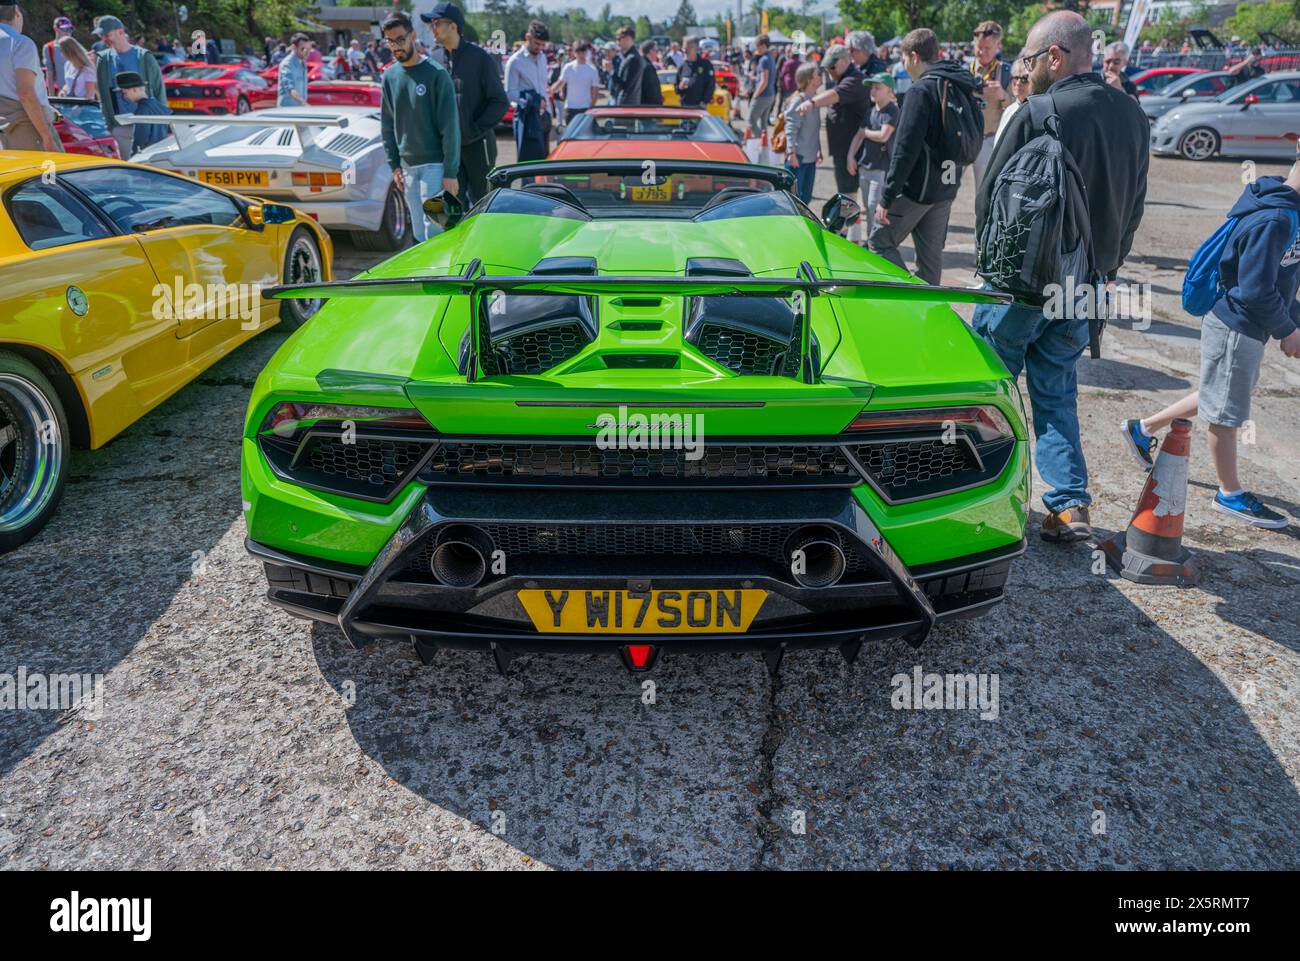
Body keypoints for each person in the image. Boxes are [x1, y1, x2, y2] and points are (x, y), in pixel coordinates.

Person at [973, 10, 1149, 542]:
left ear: (1055, 56)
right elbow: (1135, 203)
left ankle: (973, 497)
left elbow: (991, 198)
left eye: (1030, 57)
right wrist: (1109, 270)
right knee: (1055, 390)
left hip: (1021, 284)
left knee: (984, 391)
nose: (1026, 67)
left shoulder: (1039, 109)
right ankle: (1069, 504)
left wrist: (989, 269)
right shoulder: (1132, 113)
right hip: (1085, 285)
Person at [1122, 145, 1300, 530]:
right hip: (1238, 326)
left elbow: (1281, 281)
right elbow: (1254, 289)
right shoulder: (1277, 218)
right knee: (1227, 414)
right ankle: (1229, 494)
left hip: (1244, 327)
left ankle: (1143, 427)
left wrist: (1293, 319)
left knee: (1218, 392)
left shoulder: (1289, 211)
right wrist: (1287, 330)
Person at [869, 28, 977, 284]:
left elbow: (905, 148)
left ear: (915, 56)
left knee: (879, 242)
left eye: (904, 59)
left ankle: (908, 295)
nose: (903, 65)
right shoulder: (959, 85)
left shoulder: (921, 91)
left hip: (917, 190)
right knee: (930, 264)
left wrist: (886, 196)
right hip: (946, 188)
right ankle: (927, 309)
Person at [380, 10, 460, 243]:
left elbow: (450, 128)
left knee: (435, 232)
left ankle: (442, 278)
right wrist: (394, 164)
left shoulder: (436, 74)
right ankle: (425, 279)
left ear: (413, 35)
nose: (396, 47)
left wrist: (450, 172)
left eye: (400, 39)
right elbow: (387, 125)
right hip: (407, 169)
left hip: (435, 166)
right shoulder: (390, 77)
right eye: (390, 42)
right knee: (417, 235)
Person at [424, 2, 508, 207]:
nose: (431, 28)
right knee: (452, 206)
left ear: (453, 26)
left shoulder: (480, 58)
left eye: (436, 22)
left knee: (484, 203)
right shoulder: (434, 60)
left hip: (479, 146)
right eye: (430, 23)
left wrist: (473, 129)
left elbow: (499, 102)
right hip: (448, 150)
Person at [796, 44, 869, 219]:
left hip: (849, 148)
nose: (829, 71)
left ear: (844, 61)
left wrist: (811, 102)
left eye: (832, 67)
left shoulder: (854, 79)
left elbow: (835, 95)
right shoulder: (844, 77)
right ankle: (849, 228)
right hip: (844, 147)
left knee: (848, 192)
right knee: (847, 191)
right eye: (827, 67)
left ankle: (845, 230)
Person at [93, 15, 166, 161]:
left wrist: (163, 125)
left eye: (107, 35)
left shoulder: (144, 57)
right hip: (121, 127)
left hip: (148, 125)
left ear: (120, 32)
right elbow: (102, 94)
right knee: (131, 172)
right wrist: (110, 125)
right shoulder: (103, 60)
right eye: (102, 36)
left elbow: (159, 92)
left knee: (155, 170)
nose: (104, 39)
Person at [0, 4, 59, 151]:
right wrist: (47, 137)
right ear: (17, 13)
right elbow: (25, 93)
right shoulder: (20, 43)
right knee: (50, 173)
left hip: (4, 130)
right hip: (27, 127)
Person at [847, 72, 898, 241]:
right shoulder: (870, 111)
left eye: (878, 88)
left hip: (881, 168)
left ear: (889, 91)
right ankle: (871, 241)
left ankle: (875, 242)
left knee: (873, 206)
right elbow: (857, 136)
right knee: (868, 208)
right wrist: (850, 156)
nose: (873, 91)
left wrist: (865, 133)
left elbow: (883, 135)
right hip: (865, 166)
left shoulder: (892, 110)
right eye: (872, 88)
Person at [969, 21, 1012, 189]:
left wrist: (1003, 96)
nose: (982, 52)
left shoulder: (1007, 72)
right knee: (948, 185)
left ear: (998, 45)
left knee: (983, 189)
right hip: (965, 138)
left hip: (989, 139)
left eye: (987, 48)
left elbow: (1015, 109)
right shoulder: (965, 69)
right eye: (978, 47)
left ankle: (981, 217)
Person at [506, 19, 550, 160]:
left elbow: (543, 86)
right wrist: (532, 100)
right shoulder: (515, 61)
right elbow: (510, 93)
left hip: (544, 116)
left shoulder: (543, 58)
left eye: (543, 45)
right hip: (526, 117)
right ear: (527, 37)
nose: (540, 48)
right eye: (537, 43)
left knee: (544, 162)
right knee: (528, 165)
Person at [782, 62, 821, 205]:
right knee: (794, 200)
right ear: (809, 79)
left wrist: (819, 150)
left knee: (805, 199)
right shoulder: (799, 100)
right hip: (798, 159)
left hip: (809, 158)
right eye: (818, 73)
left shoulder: (814, 100)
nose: (821, 75)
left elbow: (814, 128)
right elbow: (790, 128)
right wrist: (791, 153)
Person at [114, 69, 168, 154]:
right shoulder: (157, 104)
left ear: (134, 90)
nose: (124, 97)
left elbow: (140, 138)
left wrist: (134, 155)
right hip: (161, 151)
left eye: (125, 93)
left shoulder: (142, 110)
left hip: (149, 155)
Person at [554, 40, 599, 123]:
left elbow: (595, 91)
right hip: (570, 108)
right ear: (574, 53)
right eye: (578, 52)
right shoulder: (568, 67)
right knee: (570, 135)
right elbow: (560, 82)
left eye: (583, 51)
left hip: (586, 108)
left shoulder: (593, 69)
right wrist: (549, 91)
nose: (581, 55)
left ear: (587, 52)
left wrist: (591, 106)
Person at [993, 56, 1030, 146]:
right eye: (1016, 78)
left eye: (1024, 79)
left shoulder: (1034, 111)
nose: (1018, 83)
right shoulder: (1009, 109)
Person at [747, 33, 775, 136]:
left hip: (763, 95)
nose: (756, 48)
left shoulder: (764, 60)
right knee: (763, 124)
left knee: (751, 121)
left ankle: (761, 141)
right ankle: (764, 146)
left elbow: (764, 81)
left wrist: (755, 95)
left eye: (757, 45)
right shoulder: (770, 58)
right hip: (770, 94)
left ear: (763, 45)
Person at [677, 36, 714, 109]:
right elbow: (677, 88)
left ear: (694, 48)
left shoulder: (705, 65)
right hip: (685, 108)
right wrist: (679, 87)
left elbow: (711, 85)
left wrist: (704, 101)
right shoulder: (683, 66)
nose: (683, 50)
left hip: (699, 108)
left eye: (686, 48)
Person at [612, 25, 644, 106]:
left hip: (626, 106)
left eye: (619, 39)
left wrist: (611, 71)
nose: (617, 42)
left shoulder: (632, 58)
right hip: (628, 105)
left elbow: (625, 86)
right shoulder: (630, 56)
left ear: (628, 38)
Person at [41, 14, 73, 96]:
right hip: (61, 94)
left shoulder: (75, 46)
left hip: (78, 94)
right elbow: (49, 73)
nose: (68, 32)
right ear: (56, 29)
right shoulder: (49, 48)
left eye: (70, 29)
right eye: (65, 29)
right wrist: (51, 97)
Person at [58, 35, 96, 99]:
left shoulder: (87, 69)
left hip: (85, 106)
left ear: (69, 51)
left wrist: (78, 107)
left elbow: (90, 94)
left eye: (61, 51)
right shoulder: (68, 65)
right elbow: (69, 84)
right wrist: (63, 91)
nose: (60, 54)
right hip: (70, 104)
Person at [278, 33, 310, 107]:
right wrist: (304, 104)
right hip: (287, 112)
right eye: (303, 49)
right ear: (294, 47)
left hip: (300, 110)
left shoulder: (302, 63)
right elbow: (289, 88)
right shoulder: (287, 64)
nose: (306, 52)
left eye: (307, 49)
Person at [638, 40, 663, 106]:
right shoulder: (648, 67)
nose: (657, 53)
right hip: (649, 108)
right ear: (651, 51)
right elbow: (652, 91)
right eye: (656, 51)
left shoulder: (640, 63)